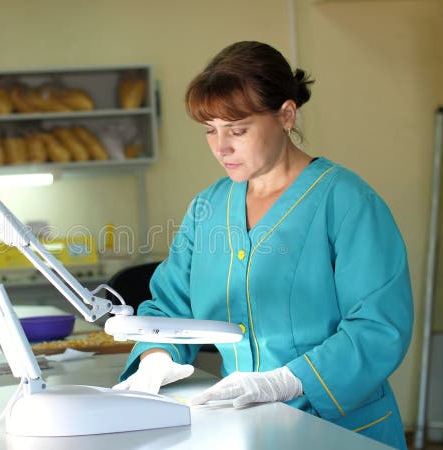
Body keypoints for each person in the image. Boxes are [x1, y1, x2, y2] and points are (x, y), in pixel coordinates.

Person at [113, 41, 413, 450]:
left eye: (237, 130)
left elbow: (379, 326)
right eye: (210, 130)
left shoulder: (346, 202)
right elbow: (169, 307)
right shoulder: (208, 207)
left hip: (343, 430)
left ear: (286, 116)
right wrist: (156, 360)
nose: (221, 147)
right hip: (246, 428)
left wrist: (286, 381)